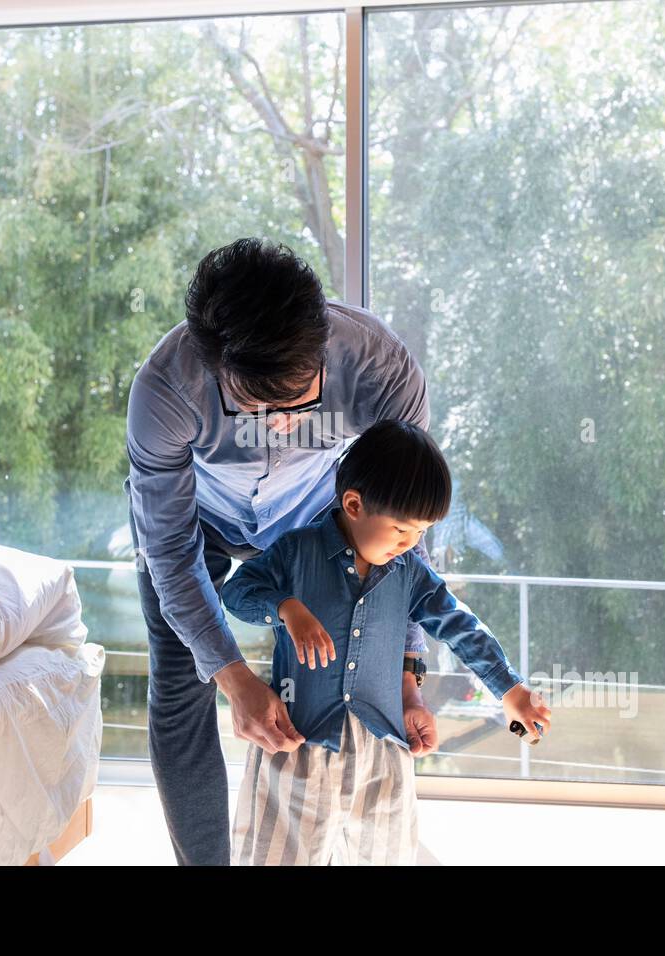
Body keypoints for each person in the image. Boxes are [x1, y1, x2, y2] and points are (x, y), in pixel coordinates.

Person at [124, 237, 442, 865]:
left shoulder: (382, 369)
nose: (277, 426)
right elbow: (167, 549)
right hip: (199, 522)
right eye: (254, 408)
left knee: (344, 680)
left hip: (318, 518)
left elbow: (405, 530)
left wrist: (407, 673)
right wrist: (230, 673)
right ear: (215, 368)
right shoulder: (164, 389)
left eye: (296, 403)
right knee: (182, 680)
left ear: (322, 343)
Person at [221, 419, 551, 865]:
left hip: (383, 756)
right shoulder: (296, 551)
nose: (412, 544)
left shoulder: (410, 572)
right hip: (297, 747)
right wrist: (284, 607)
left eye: (421, 533)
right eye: (402, 530)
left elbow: (458, 623)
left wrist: (510, 690)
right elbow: (236, 592)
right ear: (354, 505)